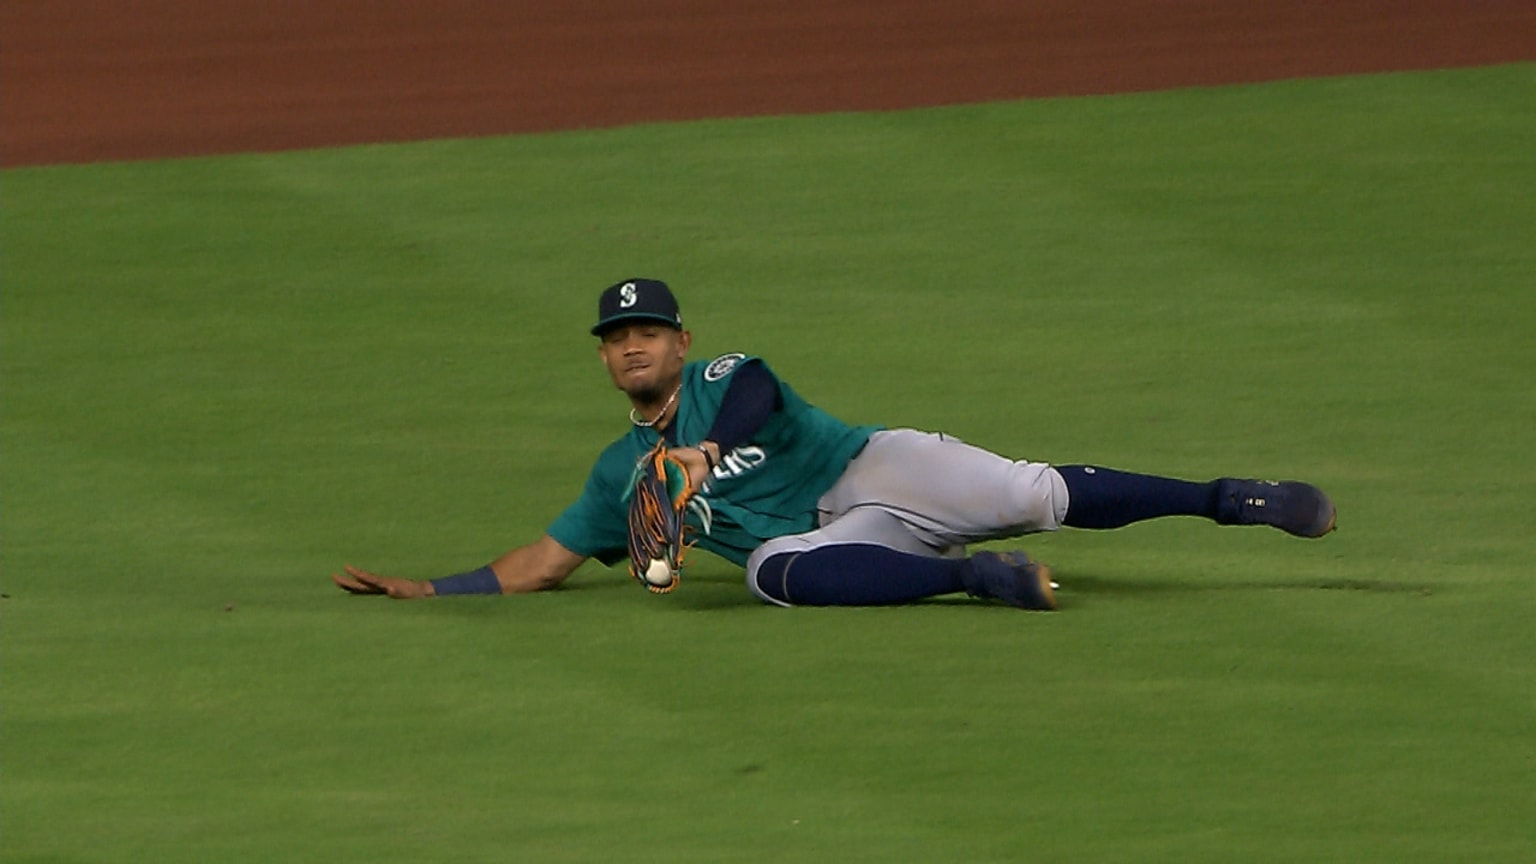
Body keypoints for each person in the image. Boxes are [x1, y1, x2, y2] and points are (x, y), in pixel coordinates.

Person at [333, 278, 1336, 609]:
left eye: (647, 332)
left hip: (873, 466)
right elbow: (545, 560)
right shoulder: (619, 473)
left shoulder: (722, 379)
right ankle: (973, 583)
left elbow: (758, 392)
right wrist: (436, 590)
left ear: (679, 341)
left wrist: (701, 453)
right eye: (616, 339)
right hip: (839, 542)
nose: (632, 346)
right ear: (605, 361)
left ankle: (1230, 499)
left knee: (1033, 489)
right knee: (769, 572)